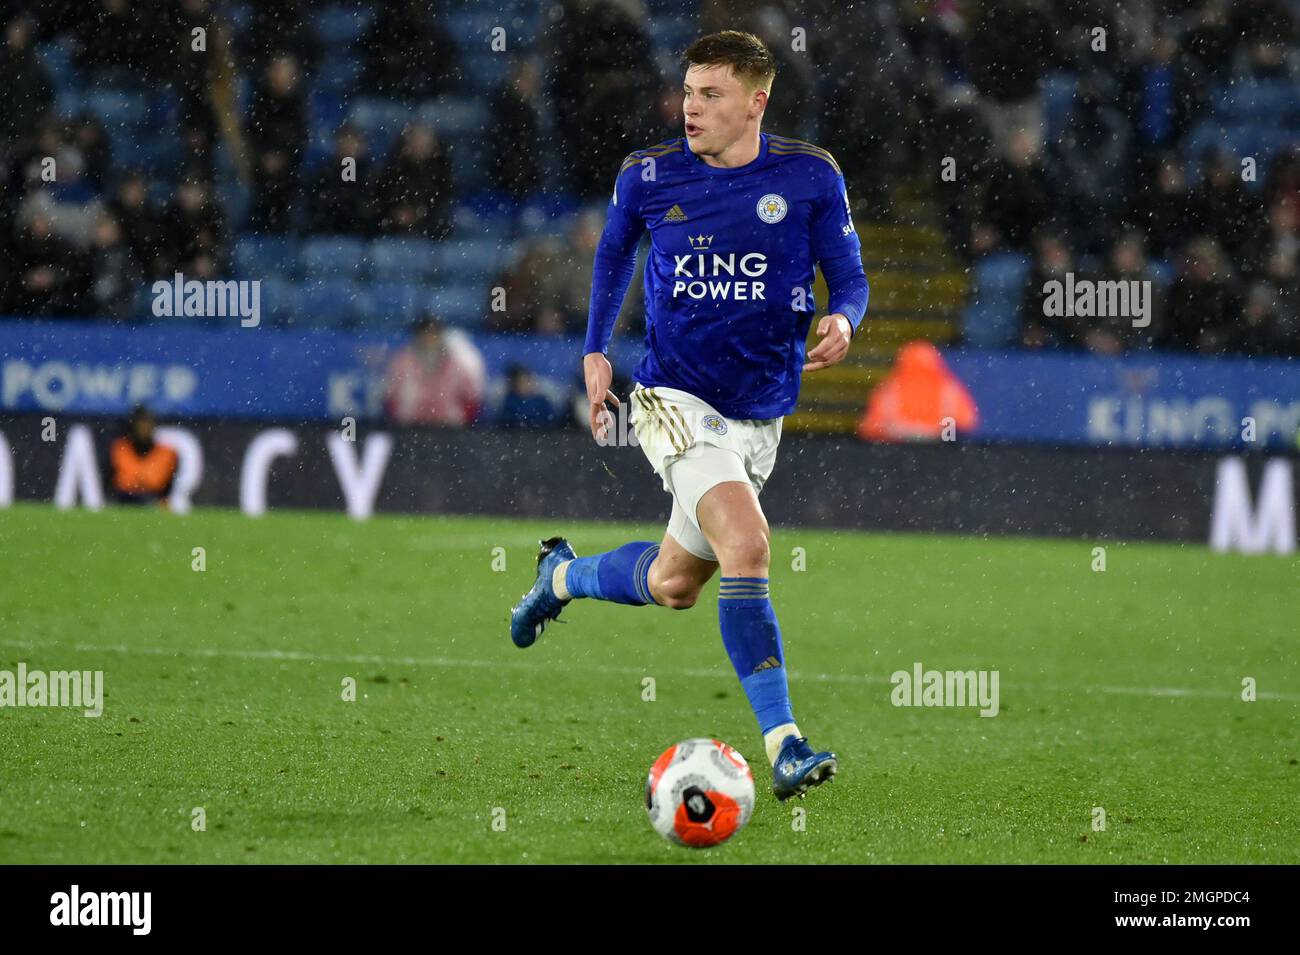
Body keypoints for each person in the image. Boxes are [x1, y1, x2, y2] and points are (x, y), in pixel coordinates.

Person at [509, 32, 870, 802]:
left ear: (755, 102)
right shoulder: (649, 175)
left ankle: (561, 576)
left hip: (759, 416)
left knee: (676, 582)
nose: (690, 107)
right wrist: (597, 349)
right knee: (749, 544)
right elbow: (613, 254)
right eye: (687, 91)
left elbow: (851, 277)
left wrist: (845, 321)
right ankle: (785, 744)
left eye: (710, 94)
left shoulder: (809, 177)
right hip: (673, 402)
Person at [856, 341, 978, 442]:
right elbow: (966, 422)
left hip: (897, 452)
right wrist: (940, 433)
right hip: (938, 451)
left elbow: (870, 427)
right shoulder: (948, 387)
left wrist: (903, 431)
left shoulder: (890, 388)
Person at [383, 315, 485, 426]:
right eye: (425, 334)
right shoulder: (402, 362)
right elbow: (390, 398)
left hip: (449, 427)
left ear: (441, 335)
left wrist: (462, 423)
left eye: (433, 333)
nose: (429, 339)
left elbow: (471, 399)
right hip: (410, 425)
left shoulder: (458, 362)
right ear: (417, 336)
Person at [108, 406, 177, 506]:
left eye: (147, 423)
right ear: (133, 426)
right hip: (123, 501)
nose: (143, 428)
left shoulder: (166, 453)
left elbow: (167, 490)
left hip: (153, 503)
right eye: (140, 424)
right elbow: (111, 484)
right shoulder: (119, 449)